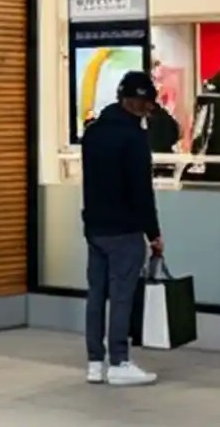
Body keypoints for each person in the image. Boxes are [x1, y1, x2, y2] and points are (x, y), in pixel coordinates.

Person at [81, 70, 163, 387]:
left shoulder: (93, 133)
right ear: (138, 102)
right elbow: (141, 191)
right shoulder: (134, 138)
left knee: (96, 295)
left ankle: (94, 362)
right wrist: (153, 233)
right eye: (147, 103)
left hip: (95, 228)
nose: (149, 110)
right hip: (125, 231)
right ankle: (119, 360)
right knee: (122, 296)